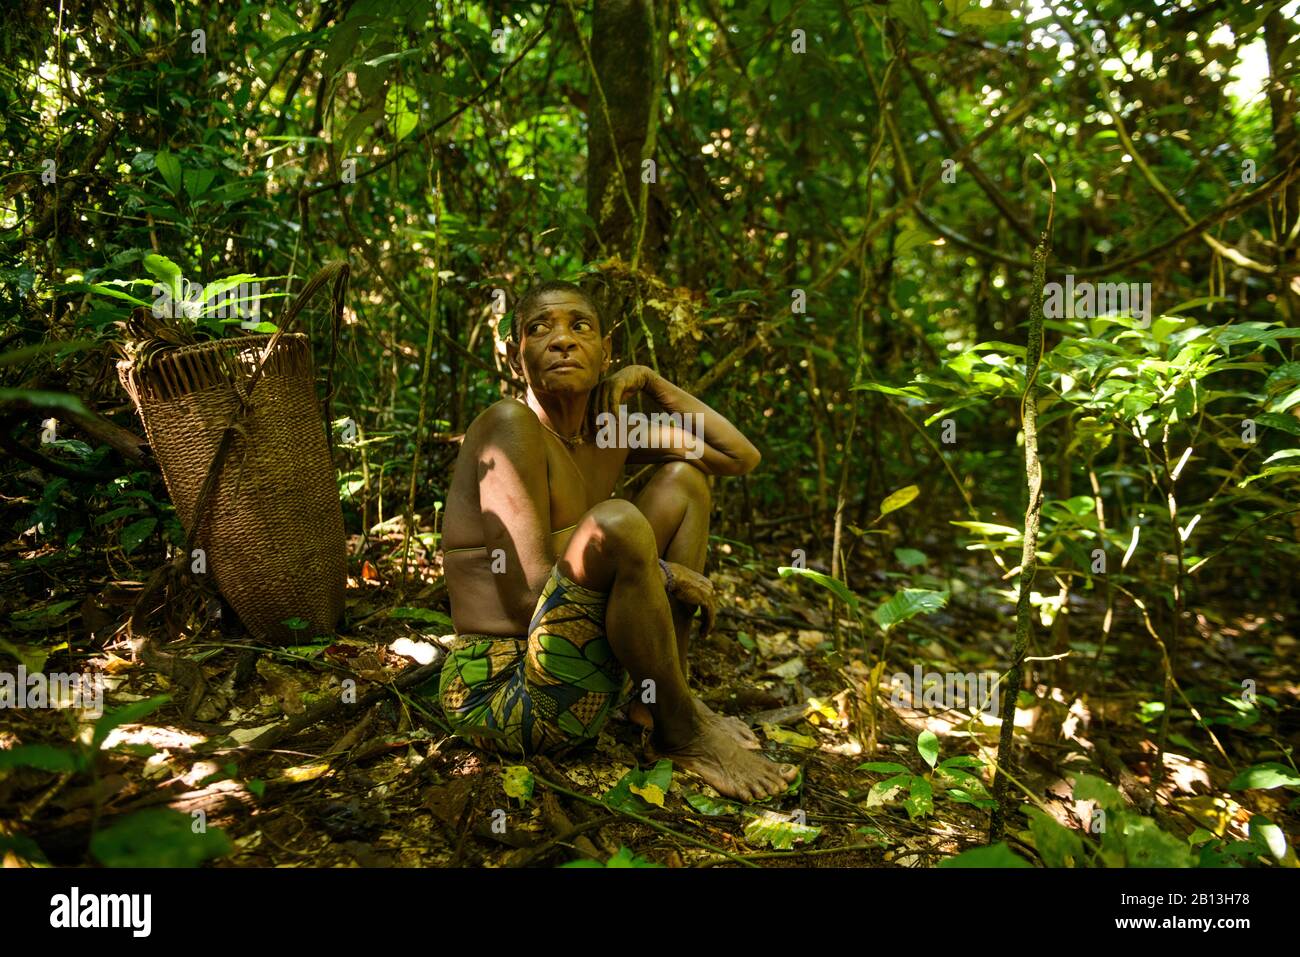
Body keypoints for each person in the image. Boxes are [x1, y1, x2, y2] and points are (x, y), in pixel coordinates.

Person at [439, 280, 799, 801]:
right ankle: (683, 727)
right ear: (518, 359)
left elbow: (739, 457)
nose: (561, 340)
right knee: (618, 521)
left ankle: (658, 700)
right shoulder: (510, 422)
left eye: (579, 326)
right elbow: (526, 601)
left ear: (607, 352)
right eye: (539, 329)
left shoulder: (609, 430)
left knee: (686, 481)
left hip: (589, 674)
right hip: (510, 689)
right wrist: (664, 574)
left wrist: (654, 385)